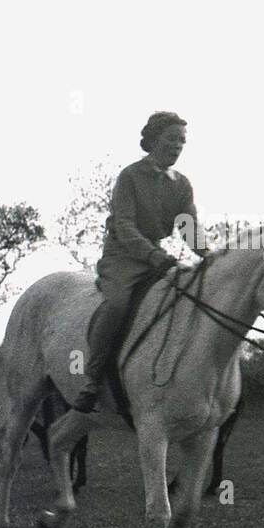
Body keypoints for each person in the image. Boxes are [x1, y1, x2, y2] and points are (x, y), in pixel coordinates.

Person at [73, 112, 204, 413]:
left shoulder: (182, 184)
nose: (177, 146)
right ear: (153, 140)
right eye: (171, 139)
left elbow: (188, 227)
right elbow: (125, 226)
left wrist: (208, 254)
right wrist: (153, 255)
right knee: (118, 305)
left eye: (182, 141)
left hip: (156, 259)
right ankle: (92, 379)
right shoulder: (131, 176)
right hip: (123, 257)